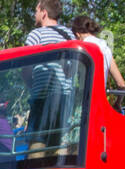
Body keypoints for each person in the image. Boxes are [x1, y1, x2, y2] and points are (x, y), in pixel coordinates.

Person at [24, 0, 77, 158]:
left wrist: (32, 86)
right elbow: (71, 71)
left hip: (42, 96)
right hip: (65, 99)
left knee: (37, 141)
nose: (34, 15)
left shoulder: (37, 34)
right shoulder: (70, 36)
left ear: (43, 12)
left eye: (36, 11)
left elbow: (25, 68)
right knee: (58, 142)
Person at [72, 14, 125, 89]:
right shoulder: (105, 48)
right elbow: (121, 84)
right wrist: (118, 101)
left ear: (77, 34)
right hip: (100, 97)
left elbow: (68, 75)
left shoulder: (79, 49)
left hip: (84, 99)